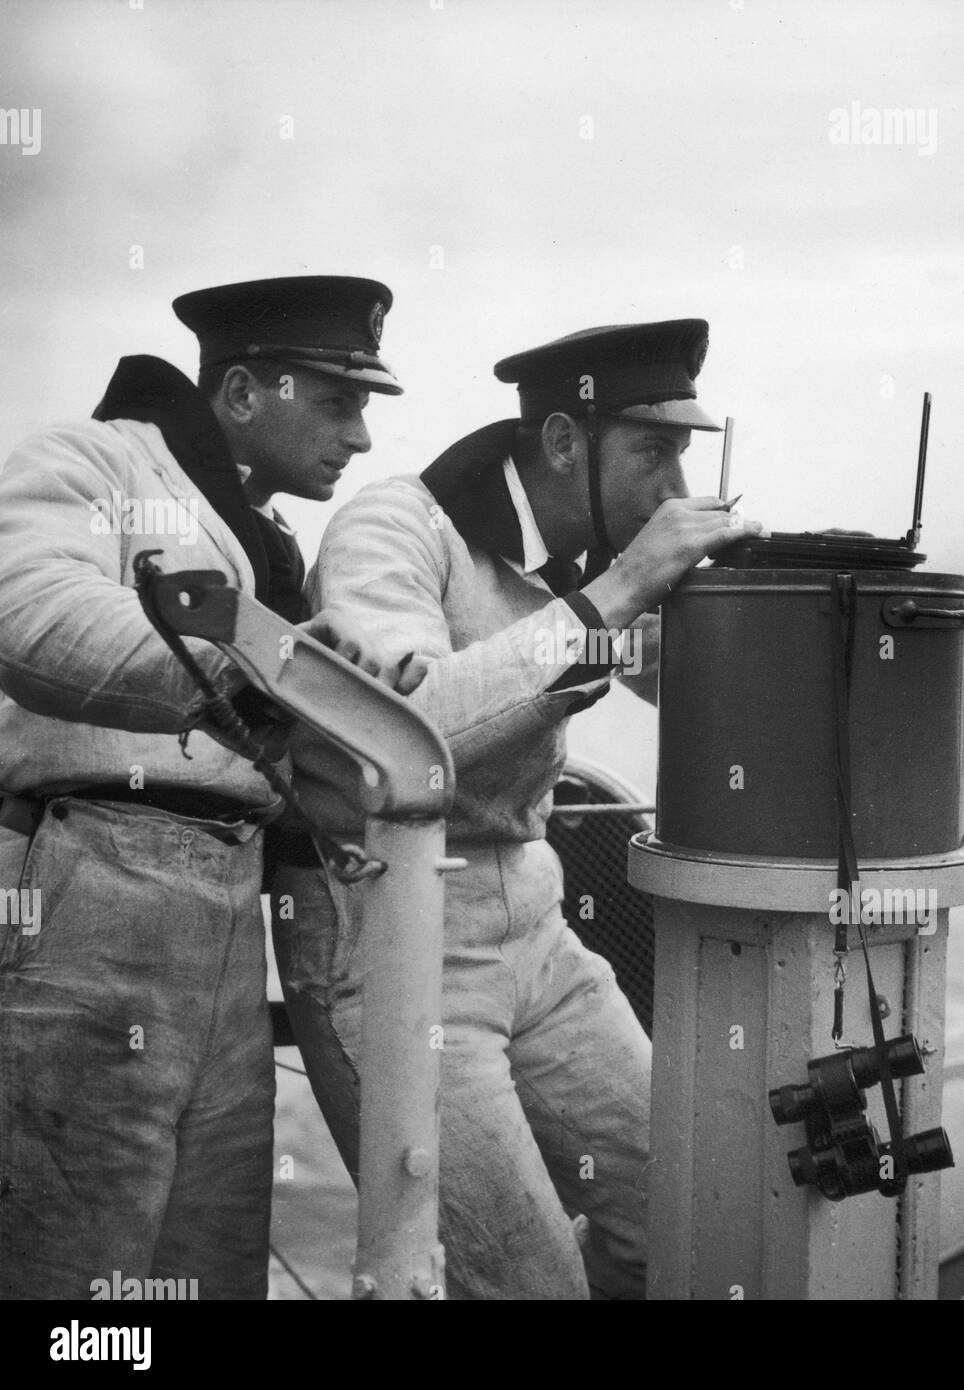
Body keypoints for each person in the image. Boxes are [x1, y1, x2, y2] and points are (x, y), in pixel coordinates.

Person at [272, 318, 764, 1299]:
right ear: (563, 444)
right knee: (530, 1282)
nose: (675, 488)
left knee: (700, 1223)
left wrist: (765, 605)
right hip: (398, 936)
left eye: (685, 457)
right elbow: (401, 739)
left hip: (536, 936)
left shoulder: (586, 558)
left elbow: (704, 693)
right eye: (653, 453)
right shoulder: (397, 529)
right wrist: (622, 591)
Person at [0, 275, 401, 1300]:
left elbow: (267, 737)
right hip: (98, 885)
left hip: (229, 916)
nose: (359, 438)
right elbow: (28, 608)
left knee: (205, 1262)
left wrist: (347, 714)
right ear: (239, 392)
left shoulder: (263, 541)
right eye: (339, 401)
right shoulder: (90, 461)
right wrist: (255, 659)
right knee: (76, 1267)